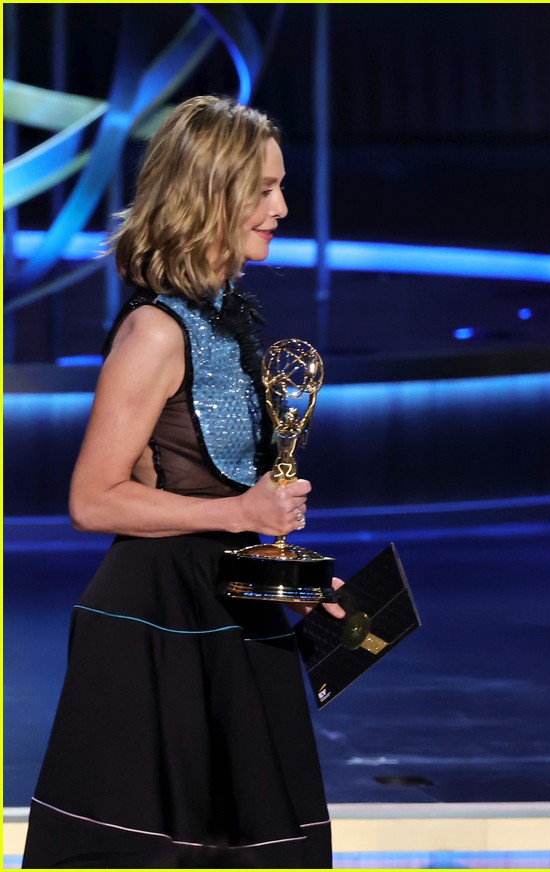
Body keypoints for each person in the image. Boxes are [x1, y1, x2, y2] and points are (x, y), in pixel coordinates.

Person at [22, 95, 344, 869]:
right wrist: (243, 508)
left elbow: (217, 494)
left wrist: (285, 579)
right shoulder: (155, 332)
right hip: (160, 626)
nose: (282, 207)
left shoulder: (226, 318)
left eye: (280, 186)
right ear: (210, 196)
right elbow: (92, 498)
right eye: (263, 190)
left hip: (229, 610)